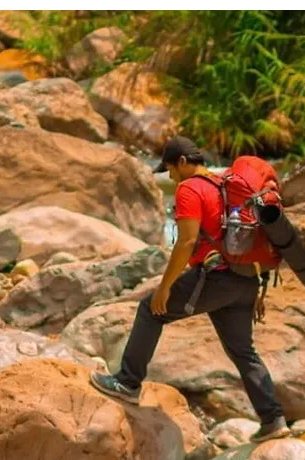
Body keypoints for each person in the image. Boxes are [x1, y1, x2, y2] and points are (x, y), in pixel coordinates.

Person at [90, 136, 291, 442]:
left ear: (182, 163)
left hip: (217, 277)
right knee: (243, 351)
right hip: (246, 279)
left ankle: (128, 383)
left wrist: (165, 287)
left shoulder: (189, 188)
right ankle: (274, 419)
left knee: (150, 311)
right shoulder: (225, 183)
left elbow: (185, 242)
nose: (171, 177)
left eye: (170, 170)